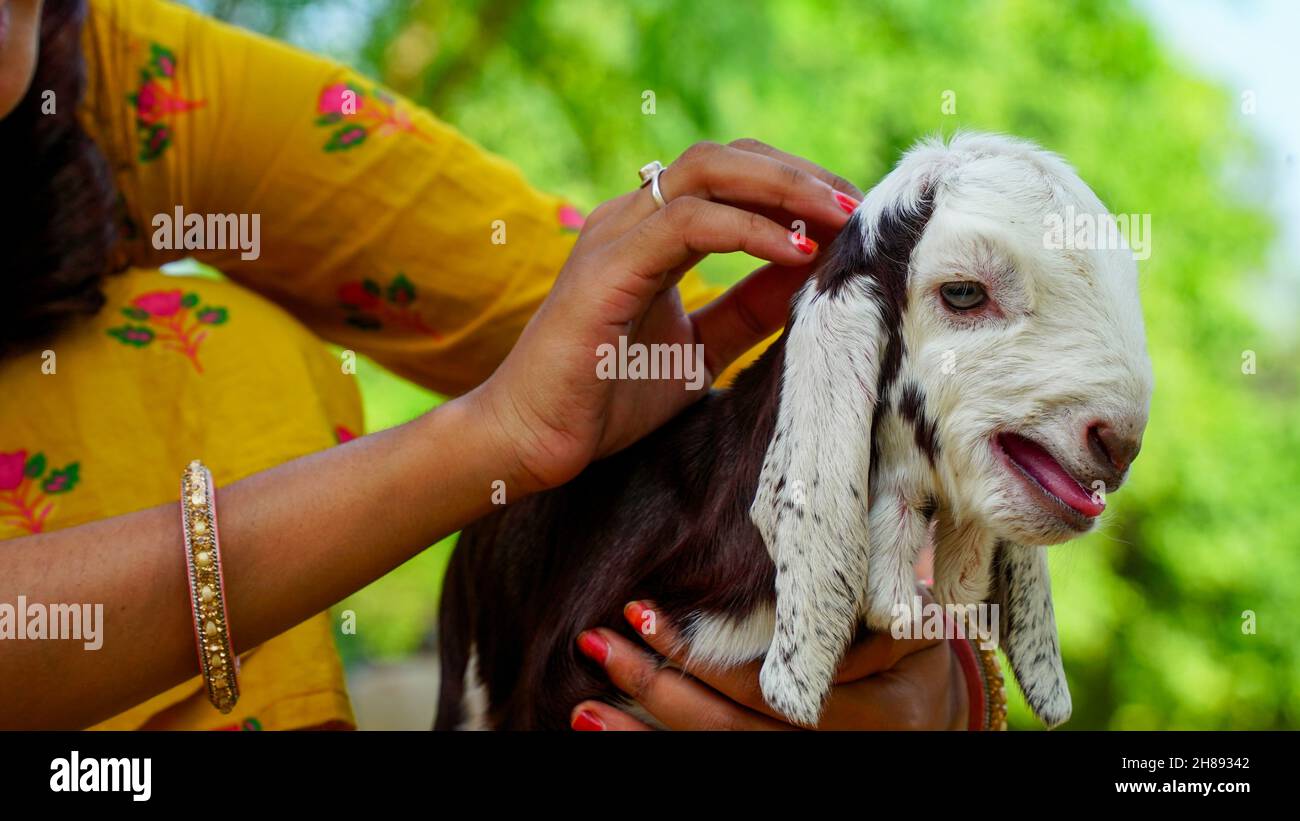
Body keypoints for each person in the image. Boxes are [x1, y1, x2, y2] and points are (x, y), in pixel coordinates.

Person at [0, 0, 975, 730]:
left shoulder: (108, 78)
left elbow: (632, 325)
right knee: (191, 347)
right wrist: (483, 444)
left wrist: (930, 675)